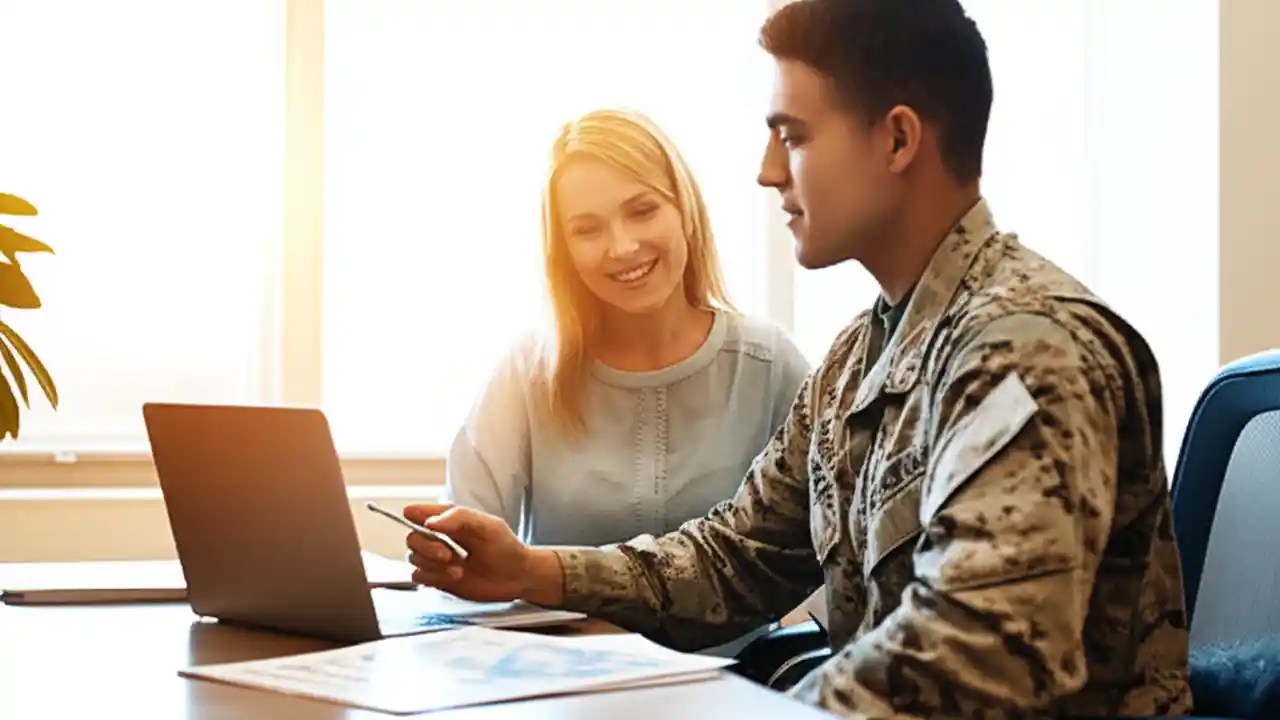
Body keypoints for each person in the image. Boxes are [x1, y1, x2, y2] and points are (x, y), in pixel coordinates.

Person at [405, 2, 1193, 717]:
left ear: (897, 138)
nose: (767, 170)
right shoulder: (861, 355)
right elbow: (735, 561)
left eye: (793, 135)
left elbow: (975, 657)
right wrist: (535, 572)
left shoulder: (1025, 351)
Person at [444, 107, 810, 549]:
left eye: (642, 210)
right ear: (565, 250)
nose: (622, 247)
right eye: (587, 229)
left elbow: (831, 545)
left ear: (684, 207)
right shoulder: (527, 373)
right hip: (554, 622)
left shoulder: (771, 366)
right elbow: (463, 542)